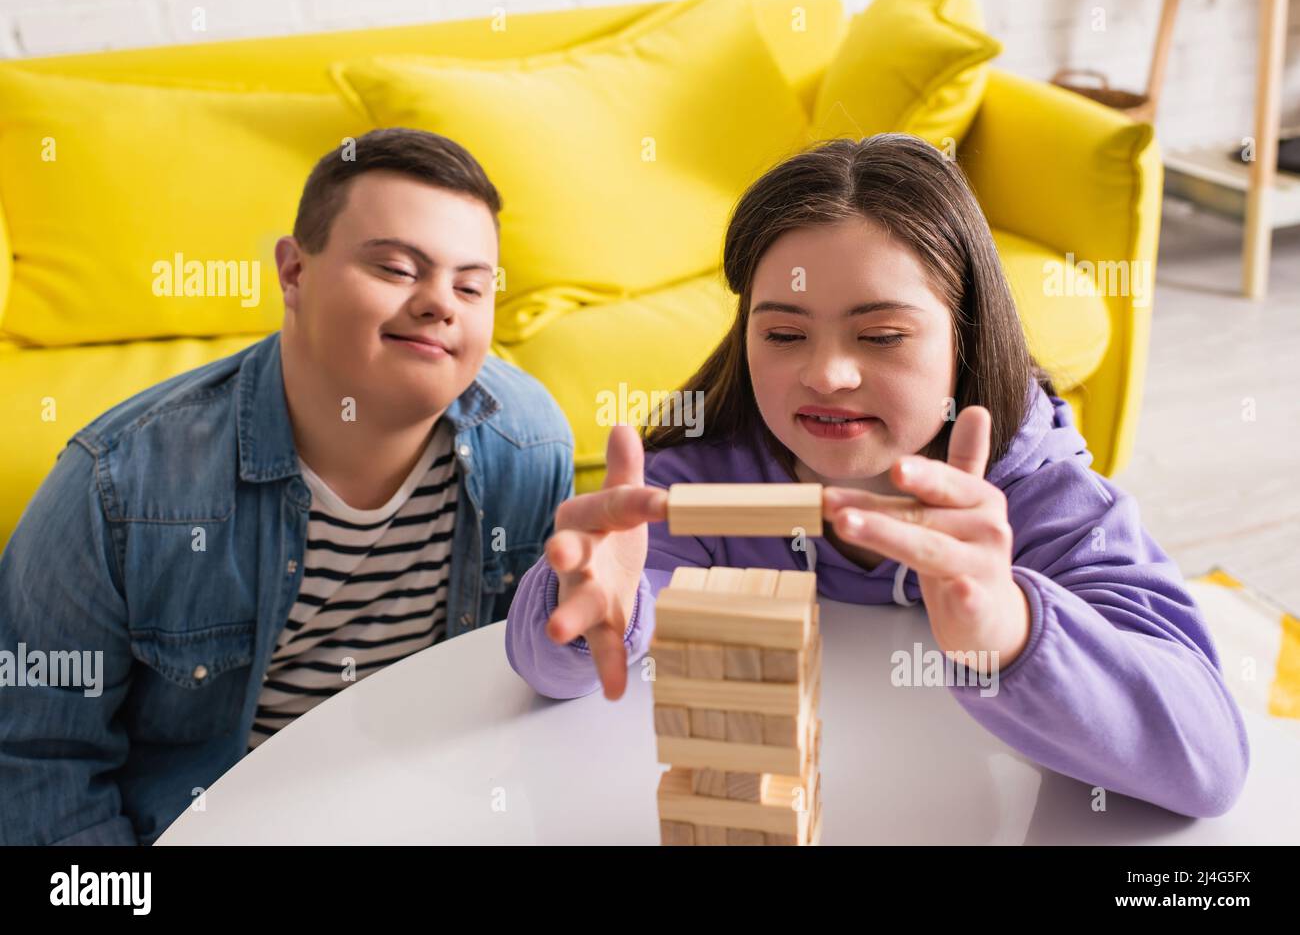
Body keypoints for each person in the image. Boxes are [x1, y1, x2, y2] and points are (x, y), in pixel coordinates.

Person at [505, 133, 1250, 820]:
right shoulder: (701, 483)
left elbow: (1207, 765)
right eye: (784, 333)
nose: (826, 373)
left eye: (882, 335)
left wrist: (1010, 629)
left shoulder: (1049, 503)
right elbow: (553, 671)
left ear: (967, 333)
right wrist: (586, 608)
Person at [0, 128, 573, 844]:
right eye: (397, 268)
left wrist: (599, 618)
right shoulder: (118, 485)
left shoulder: (529, 445)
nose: (440, 303)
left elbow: (536, 692)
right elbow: (36, 760)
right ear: (294, 273)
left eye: (470, 285)